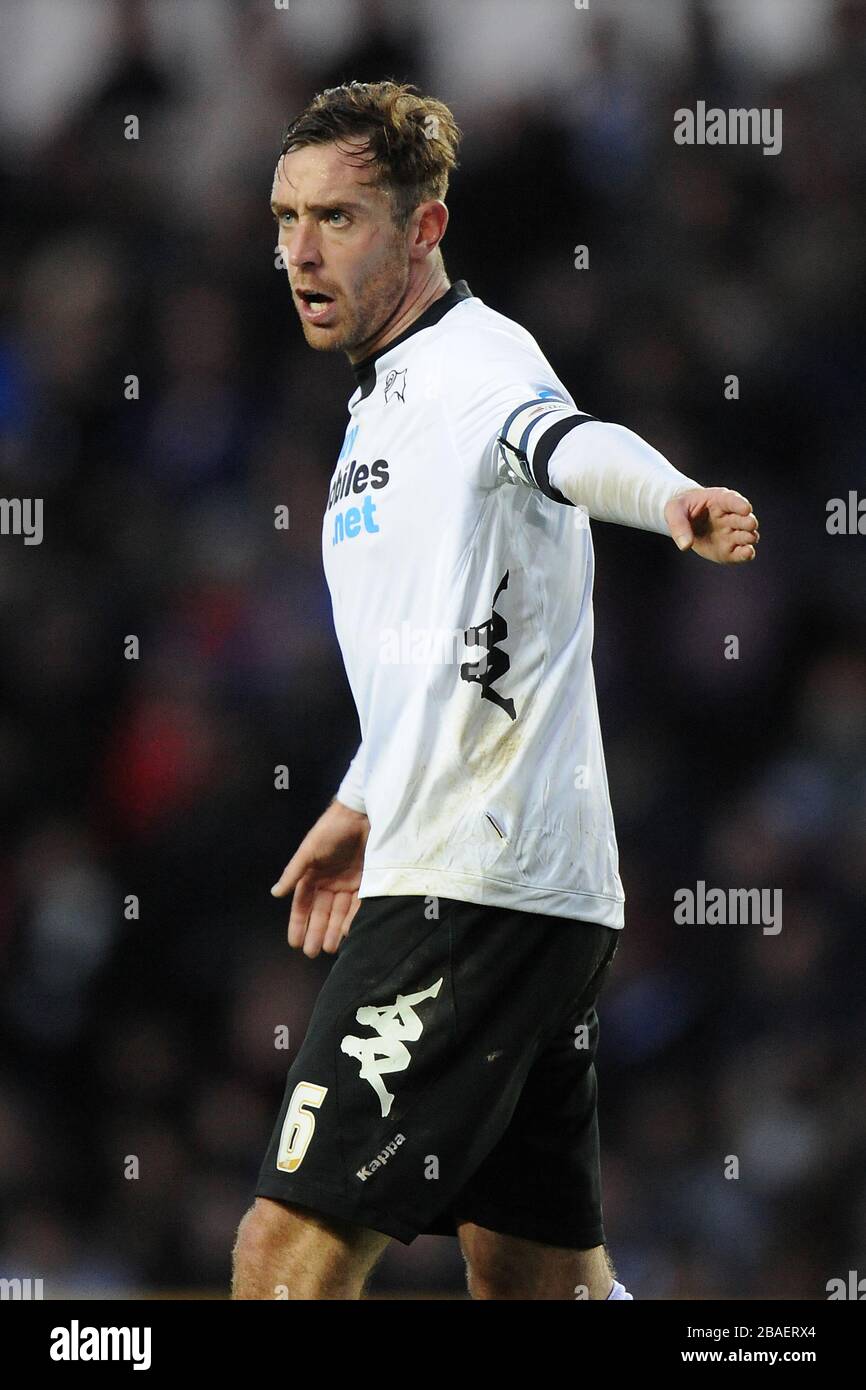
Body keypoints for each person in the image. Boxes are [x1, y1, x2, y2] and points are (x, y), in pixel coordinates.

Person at [231, 80, 760, 1301]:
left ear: (424, 229)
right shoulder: (382, 401)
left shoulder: (472, 364)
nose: (297, 254)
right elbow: (450, 646)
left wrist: (670, 498)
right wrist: (367, 796)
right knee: (536, 1280)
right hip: (517, 879)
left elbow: (565, 444)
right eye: (283, 216)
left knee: (280, 1256)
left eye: (338, 219)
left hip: (472, 890)